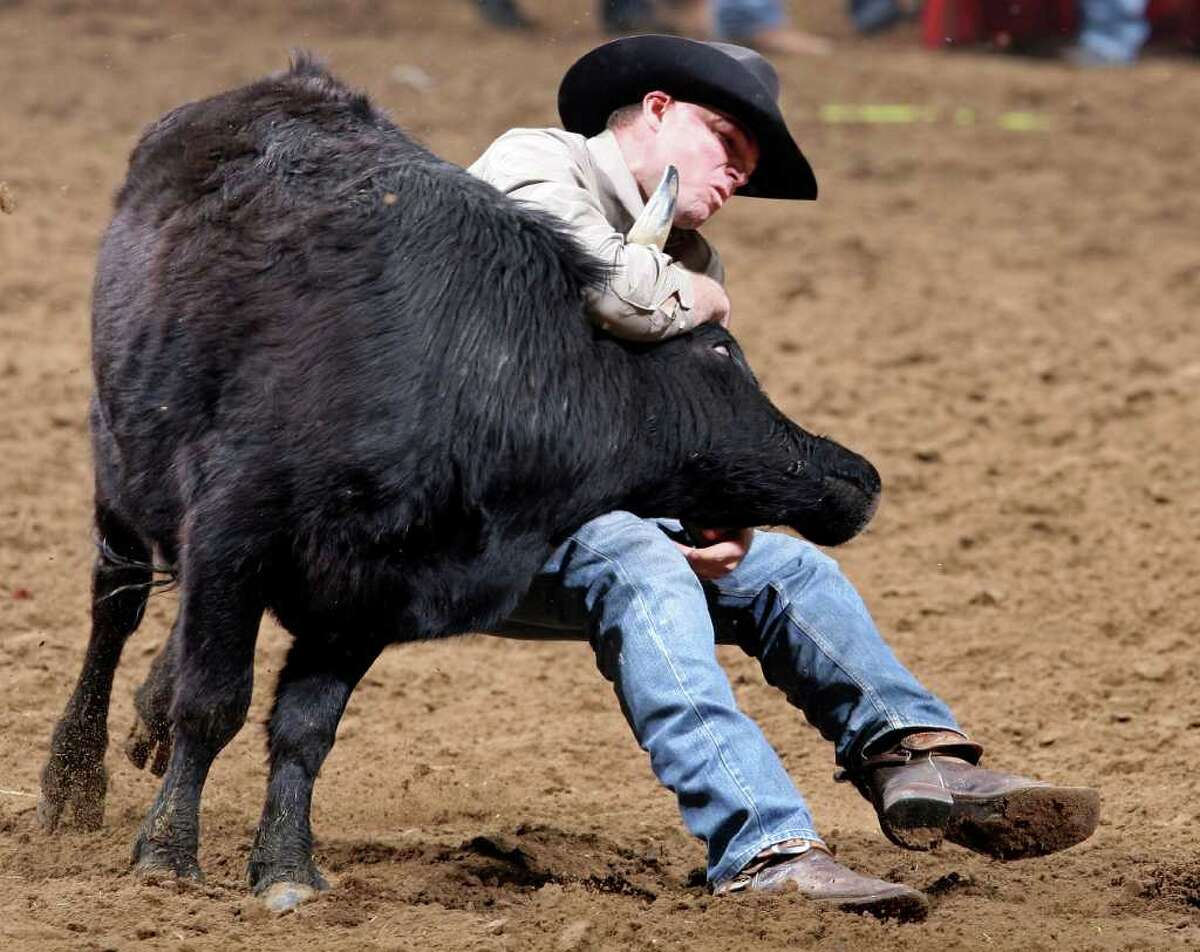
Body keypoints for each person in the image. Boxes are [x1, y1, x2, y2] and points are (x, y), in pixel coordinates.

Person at [468, 35, 1100, 920]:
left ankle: (916, 756)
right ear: (657, 109)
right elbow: (611, 295)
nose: (733, 180)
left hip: (569, 520)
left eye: (744, 167)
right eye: (726, 145)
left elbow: (676, 424)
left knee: (793, 572)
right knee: (635, 560)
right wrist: (710, 304)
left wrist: (712, 514)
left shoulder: (684, 256)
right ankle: (762, 847)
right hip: (459, 521)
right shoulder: (531, 162)